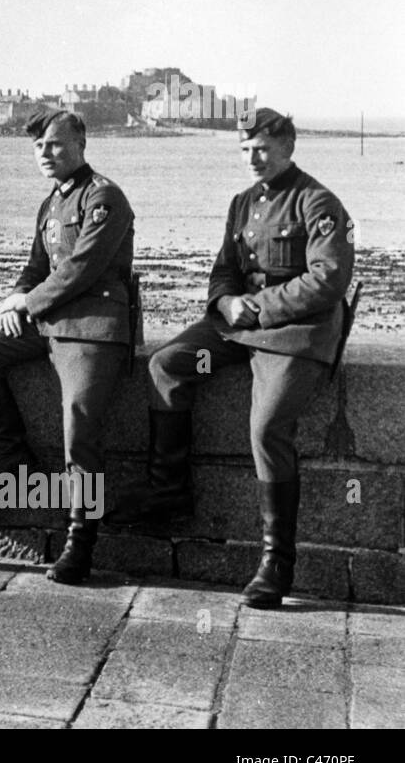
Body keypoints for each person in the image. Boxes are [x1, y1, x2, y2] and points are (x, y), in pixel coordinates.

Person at [106, 108, 355, 609]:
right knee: (171, 364)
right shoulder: (242, 204)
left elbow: (330, 278)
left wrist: (256, 308)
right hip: (236, 334)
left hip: (294, 338)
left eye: (262, 148)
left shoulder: (318, 201)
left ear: (289, 146)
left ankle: (276, 561)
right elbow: (224, 271)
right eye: (245, 150)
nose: (253, 159)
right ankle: (169, 490)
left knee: (266, 429)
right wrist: (226, 304)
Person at [0, 110, 135, 584]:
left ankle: (81, 538)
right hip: (48, 323)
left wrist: (29, 304)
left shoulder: (104, 197)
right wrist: (15, 299)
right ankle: (13, 457)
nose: (46, 154)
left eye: (55, 144)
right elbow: (38, 267)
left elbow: (83, 268)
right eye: (38, 147)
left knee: (78, 423)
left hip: (92, 327)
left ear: (81, 142)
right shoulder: (50, 204)